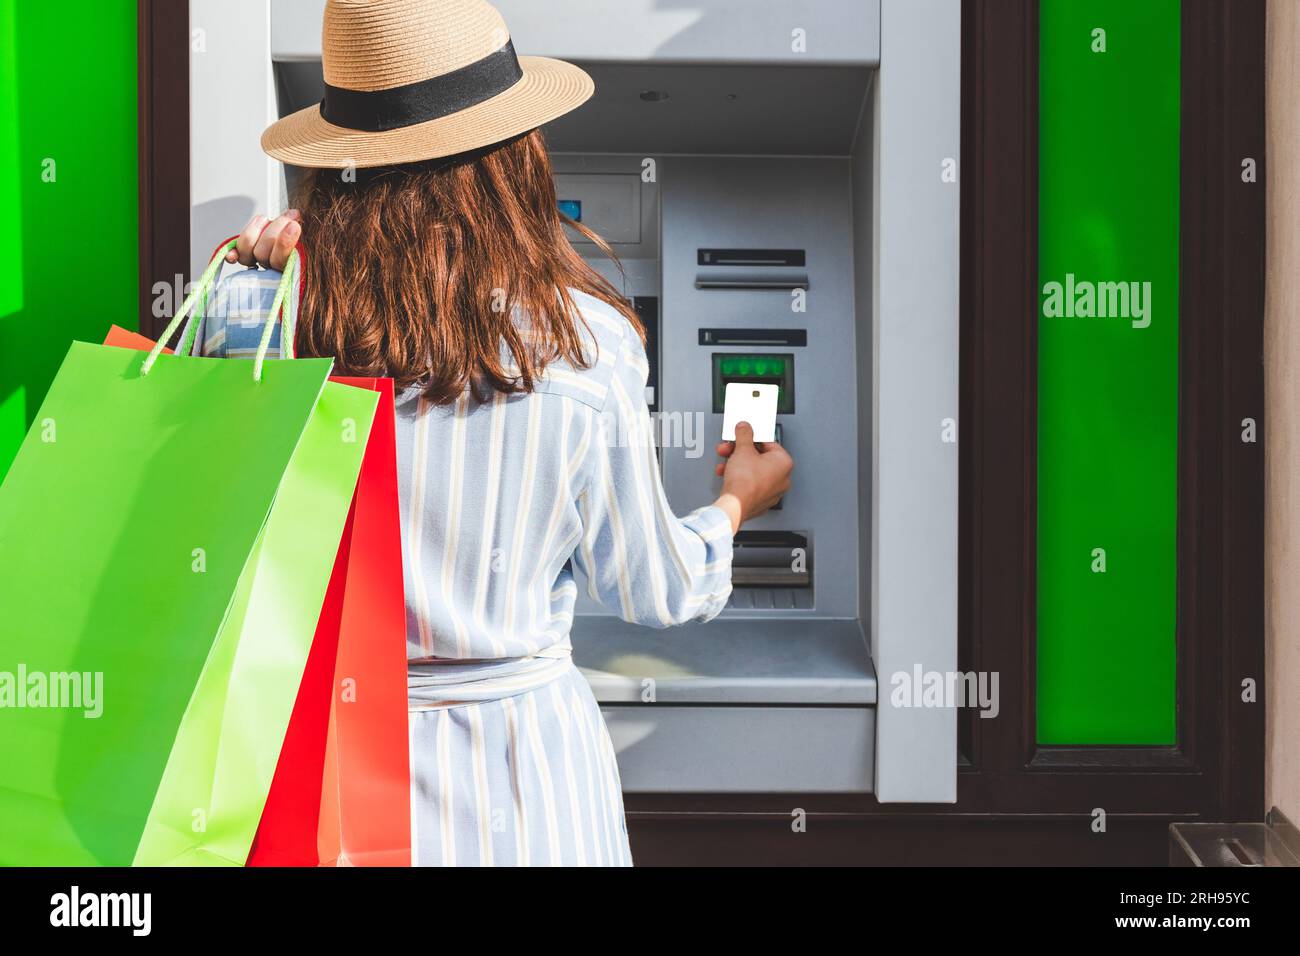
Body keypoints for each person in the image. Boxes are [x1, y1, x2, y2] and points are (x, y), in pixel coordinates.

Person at [198, 0, 792, 866]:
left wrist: (250, 277)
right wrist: (739, 501)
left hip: (319, 776)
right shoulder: (586, 345)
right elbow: (654, 589)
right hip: (527, 790)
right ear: (512, 153)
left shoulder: (253, 312)